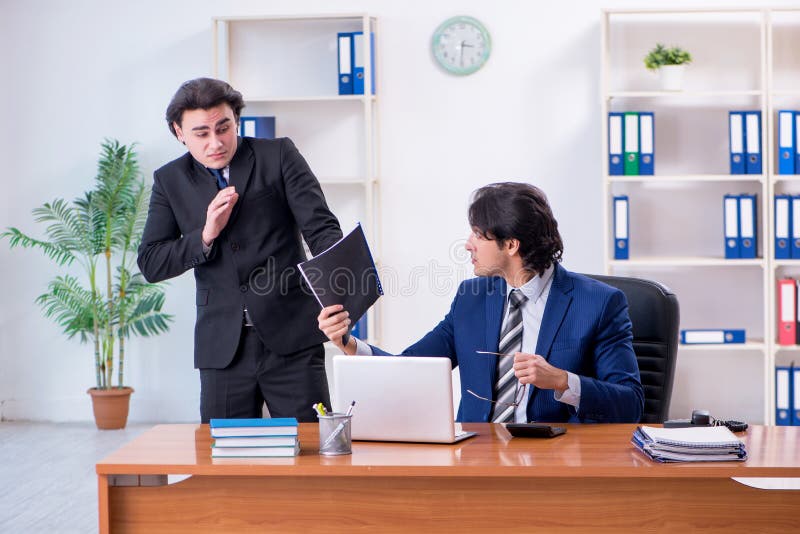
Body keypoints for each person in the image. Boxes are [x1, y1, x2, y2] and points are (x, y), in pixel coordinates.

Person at [319, 182, 643, 423]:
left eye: (478, 234)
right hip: (475, 457)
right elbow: (411, 367)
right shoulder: (470, 298)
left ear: (511, 244)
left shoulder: (599, 304)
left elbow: (631, 404)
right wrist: (347, 343)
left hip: (554, 461)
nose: (467, 245)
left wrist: (562, 381)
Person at [138, 77, 343, 423]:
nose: (215, 143)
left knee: (309, 455)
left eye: (224, 128)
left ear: (236, 120)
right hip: (222, 347)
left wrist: (339, 293)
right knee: (226, 461)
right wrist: (205, 235)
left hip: (293, 337)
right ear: (179, 132)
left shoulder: (278, 155)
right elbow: (152, 262)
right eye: (201, 133)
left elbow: (322, 231)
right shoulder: (169, 180)